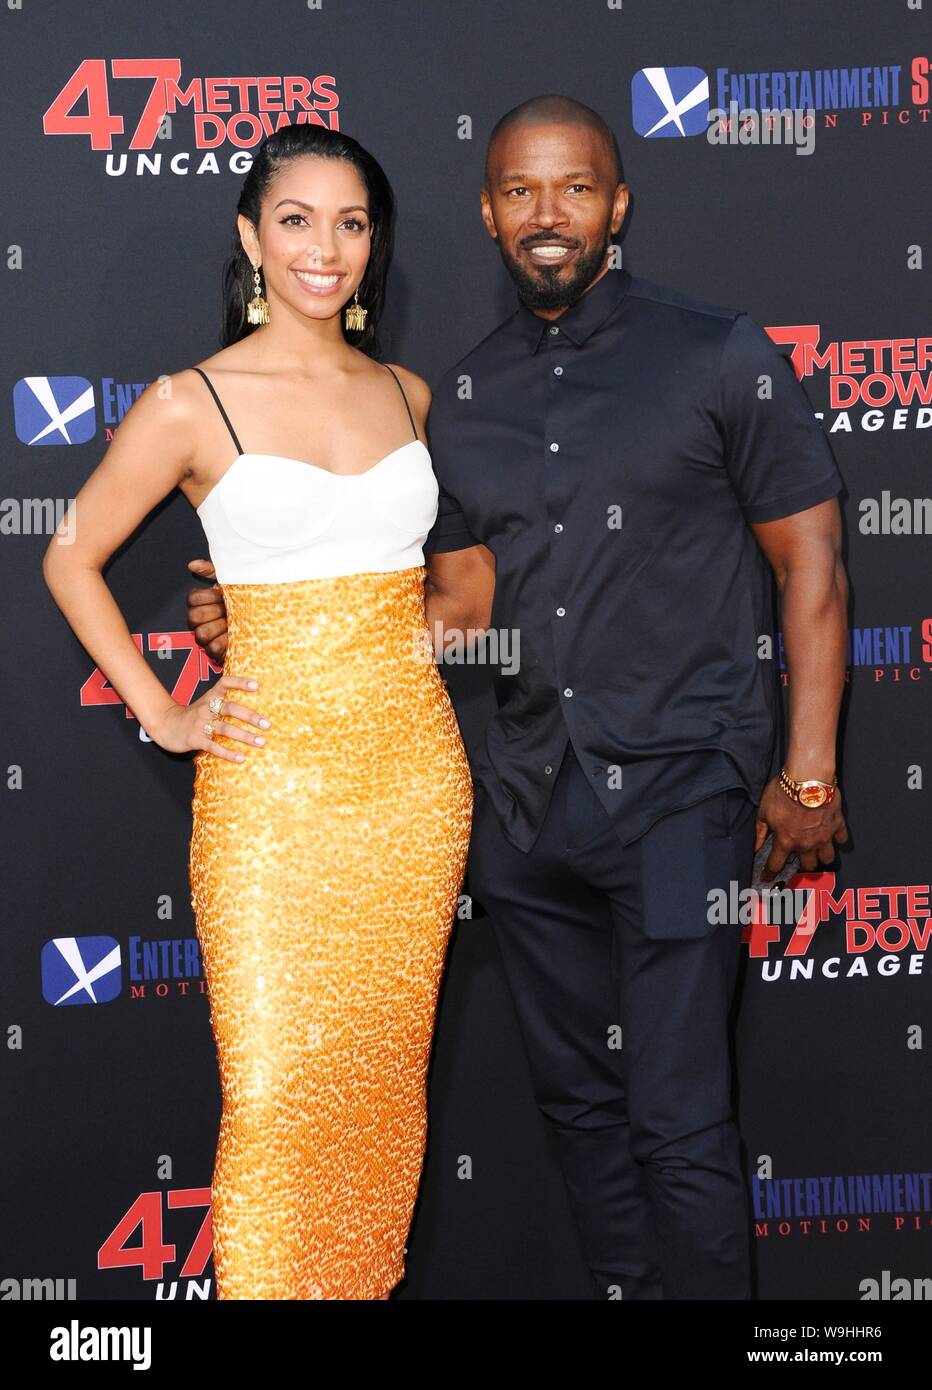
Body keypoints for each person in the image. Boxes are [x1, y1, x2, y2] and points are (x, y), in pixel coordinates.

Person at [186, 95, 849, 1301]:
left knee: (679, 1121)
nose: (549, 216)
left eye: (576, 189)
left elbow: (810, 566)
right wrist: (278, 611)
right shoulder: (462, 396)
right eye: (522, 194)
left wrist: (806, 772)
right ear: (488, 212)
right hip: (526, 810)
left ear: (617, 205)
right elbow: (455, 605)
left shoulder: (716, 353)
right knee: (582, 1118)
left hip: (678, 795)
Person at [43, 124, 473, 1300]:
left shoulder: (408, 392)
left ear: (372, 243)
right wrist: (164, 712)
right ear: (249, 238)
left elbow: (429, 586)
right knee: (277, 1092)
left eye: (350, 223)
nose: (324, 249)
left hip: (411, 783)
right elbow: (70, 556)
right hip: (271, 796)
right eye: (295, 220)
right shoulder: (192, 403)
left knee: (382, 1086)